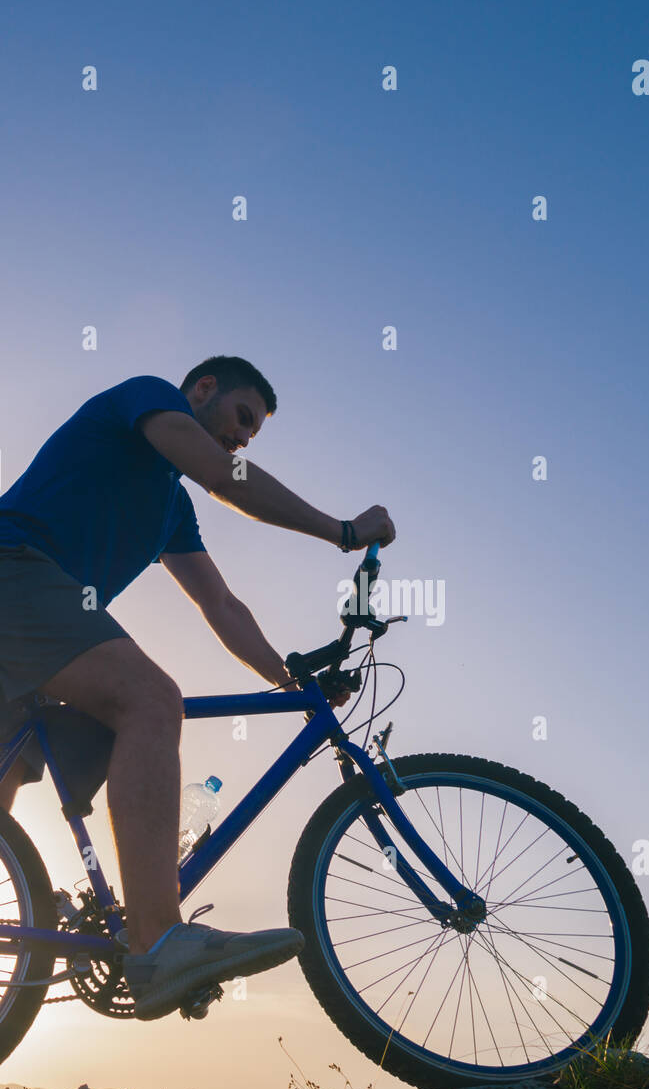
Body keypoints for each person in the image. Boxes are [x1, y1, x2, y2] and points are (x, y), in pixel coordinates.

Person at [0, 356, 395, 1019]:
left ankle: (90, 937)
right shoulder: (149, 398)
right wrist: (344, 533)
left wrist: (291, 680)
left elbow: (221, 606)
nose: (242, 439)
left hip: (30, 648)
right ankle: (159, 942)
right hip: (14, 572)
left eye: (253, 434)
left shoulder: (171, 510)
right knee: (150, 700)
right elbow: (224, 476)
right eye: (242, 418)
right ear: (203, 390)